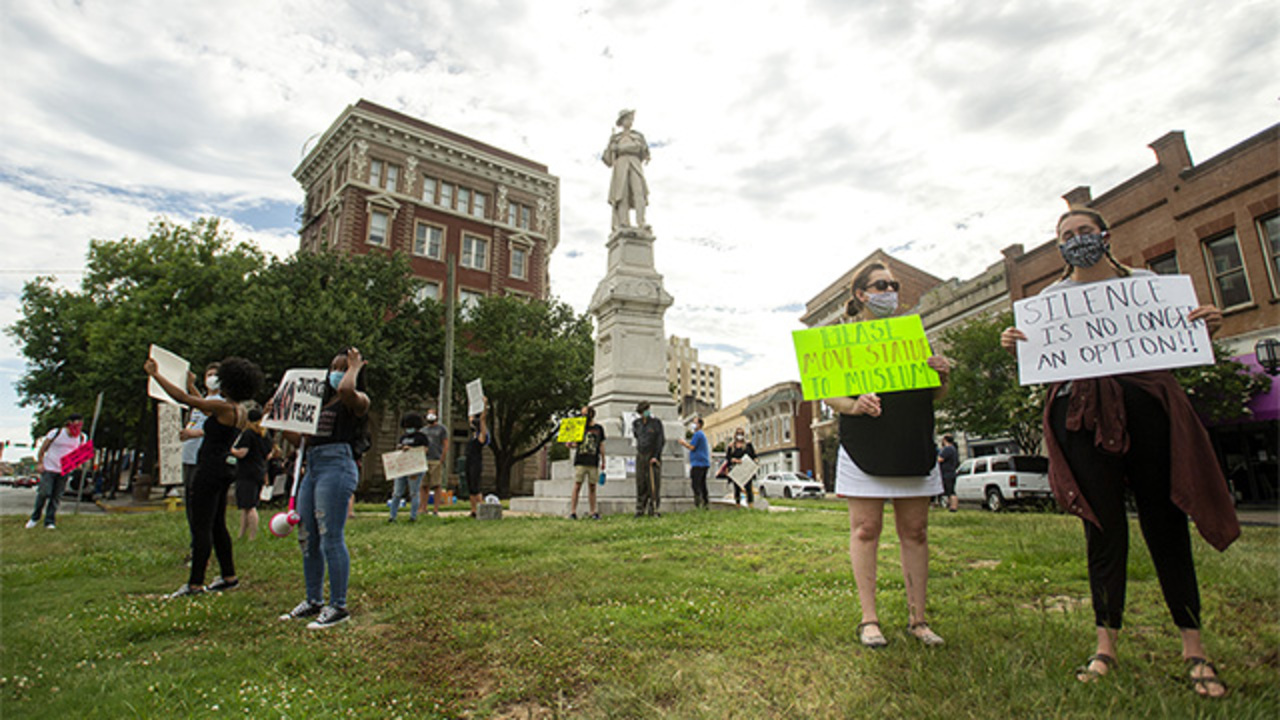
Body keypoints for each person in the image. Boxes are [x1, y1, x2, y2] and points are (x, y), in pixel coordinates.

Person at [1000, 207, 1234, 698]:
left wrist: (1203, 327)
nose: (1077, 240)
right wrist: (1019, 345)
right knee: (1103, 529)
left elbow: (1175, 345)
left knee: (1166, 521)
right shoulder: (1050, 302)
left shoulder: (1147, 285)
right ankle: (1105, 645)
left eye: (1084, 231)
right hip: (1082, 419)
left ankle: (1194, 648)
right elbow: (1044, 361)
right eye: (1067, 235)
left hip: (1149, 413)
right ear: (1059, 247)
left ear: (1105, 236)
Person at [824, 262, 952, 649]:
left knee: (915, 531)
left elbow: (935, 394)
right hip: (864, 444)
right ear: (861, 294)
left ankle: (919, 620)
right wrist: (854, 405)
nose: (890, 292)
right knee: (866, 529)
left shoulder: (912, 336)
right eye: (881, 285)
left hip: (912, 441)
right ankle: (869, 620)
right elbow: (828, 392)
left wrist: (943, 375)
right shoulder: (843, 339)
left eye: (894, 285)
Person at [144, 356, 264, 598]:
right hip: (224, 470)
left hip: (209, 469)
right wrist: (192, 385)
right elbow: (202, 404)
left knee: (201, 525)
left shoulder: (224, 408)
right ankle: (228, 575)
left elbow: (185, 400)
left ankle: (195, 583)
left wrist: (156, 375)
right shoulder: (239, 410)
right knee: (217, 524)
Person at [277, 347, 371, 629]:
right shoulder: (320, 405)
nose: (336, 373)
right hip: (314, 466)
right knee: (308, 536)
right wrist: (280, 416)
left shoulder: (358, 401)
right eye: (334, 368)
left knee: (331, 535)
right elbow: (300, 440)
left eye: (343, 368)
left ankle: (338, 605)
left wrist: (355, 368)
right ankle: (313, 599)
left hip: (337, 465)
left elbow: (346, 390)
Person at [28, 414, 90, 530]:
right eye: (76, 423)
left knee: (56, 496)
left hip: (64, 470)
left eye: (80, 424)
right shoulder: (56, 433)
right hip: (49, 467)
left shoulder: (82, 437)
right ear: (69, 423)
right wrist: (40, 463)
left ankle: (49, 521)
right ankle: (35, 518)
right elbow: (43, 449)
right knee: (44, 493)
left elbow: (79, 453)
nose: (78, 427)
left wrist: (78, 464)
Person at [602, 109, 650, 231]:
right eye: (627, 118)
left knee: (639, 192)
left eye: (631, 119)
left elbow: (640, 148)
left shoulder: (638, 136)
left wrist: (620, 148)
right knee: (621, 194)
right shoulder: (616, 138)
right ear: (622, 121)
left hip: (635, 163)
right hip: (621, 164)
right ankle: (623, 222)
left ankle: (641, 222)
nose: (630, 121)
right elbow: (607, 160)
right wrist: (611, 148)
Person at [232, 408, 272, 540]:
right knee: (246, 505)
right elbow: (269, 454)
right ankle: (242, 534)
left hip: (246, 473)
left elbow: (242, 453)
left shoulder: (248, 434)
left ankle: (252, 536)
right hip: (259, 471)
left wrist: (231, 450)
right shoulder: (265, 434)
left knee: (250, 506)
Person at [388, 412, 429, 523]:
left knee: (414, 492)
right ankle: (392, 516)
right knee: (396, 493)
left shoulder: (421, 437)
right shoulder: (403, 437)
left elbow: (425, 450)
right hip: (402, 467)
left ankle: (413, 516)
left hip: (414, 468)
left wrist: (411, 449)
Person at [568, 405, 605, 519]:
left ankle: (593, 511)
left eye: (585, 414)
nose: (583, 416)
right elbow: (575, 444)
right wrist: (570, 444)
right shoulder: (579, 427)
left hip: (593, 461)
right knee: (577, 485)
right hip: (581, 460)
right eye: (582, 414)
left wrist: (603, 460)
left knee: (592, 487)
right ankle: (573, 511)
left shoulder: (599, 428)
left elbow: (601, 444)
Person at [631, 400, 664, 517]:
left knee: (653, 483)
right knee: (641, 482)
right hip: (641, 454)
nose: (646, 412)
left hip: (652, 454)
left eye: (647, 410)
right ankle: (640, 508)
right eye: (643, 411)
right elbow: (637, 436)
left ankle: (654, 508)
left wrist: (656, 456)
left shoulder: (656, 423)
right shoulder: (636, 423)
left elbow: (660, 440)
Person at [421, 408, 450, 516]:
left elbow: (445, 444)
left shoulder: (441, 429)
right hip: (425, 460)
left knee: (437, 485)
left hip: (436, 460)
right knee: (424, 485)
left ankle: (435, 509)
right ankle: (423, 508)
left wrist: (442, 458)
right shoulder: (423, 430)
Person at [464, 400, 489, 518]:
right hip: (469, 461)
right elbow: (470, 417)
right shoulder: (473, 437)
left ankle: (481, 508)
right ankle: (473, 510)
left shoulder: (481, 437)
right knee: (470, 487)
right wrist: (471, 403)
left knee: (475, 486)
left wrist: (484, 405)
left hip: (476, 462)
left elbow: (483, 420)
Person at [678, 417, 711, 509]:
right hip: (703, 462)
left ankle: (699, 502)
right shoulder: (701, 434)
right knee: (702, 484)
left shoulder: (698, 434)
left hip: (698, 463)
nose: (692, 424)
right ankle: (705, 502)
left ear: (699, 425)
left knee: (696, 484)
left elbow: (692, 447)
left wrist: (683, 443)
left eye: (694, 422)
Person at [722, 428, 758, 508]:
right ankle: (737, 504)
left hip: (746, 469)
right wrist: (734, 460)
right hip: (736, 470)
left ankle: (750, 504)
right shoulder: (731, 446)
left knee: (748, 487)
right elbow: (728, 458)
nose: (740, 435)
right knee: (737, 488)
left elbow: (753, 456)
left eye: (741, 434)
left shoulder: (748, 445)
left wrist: (755, 461)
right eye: (738, 433)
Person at [937, 435, 959, 513]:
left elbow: (940, 459)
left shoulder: (948, 449)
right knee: (951, 490)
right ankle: (951, 506)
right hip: (952, 472)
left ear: (945, 440)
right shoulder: (954, 449)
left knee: (950, 491)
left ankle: (953, 507)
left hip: (947, 473)